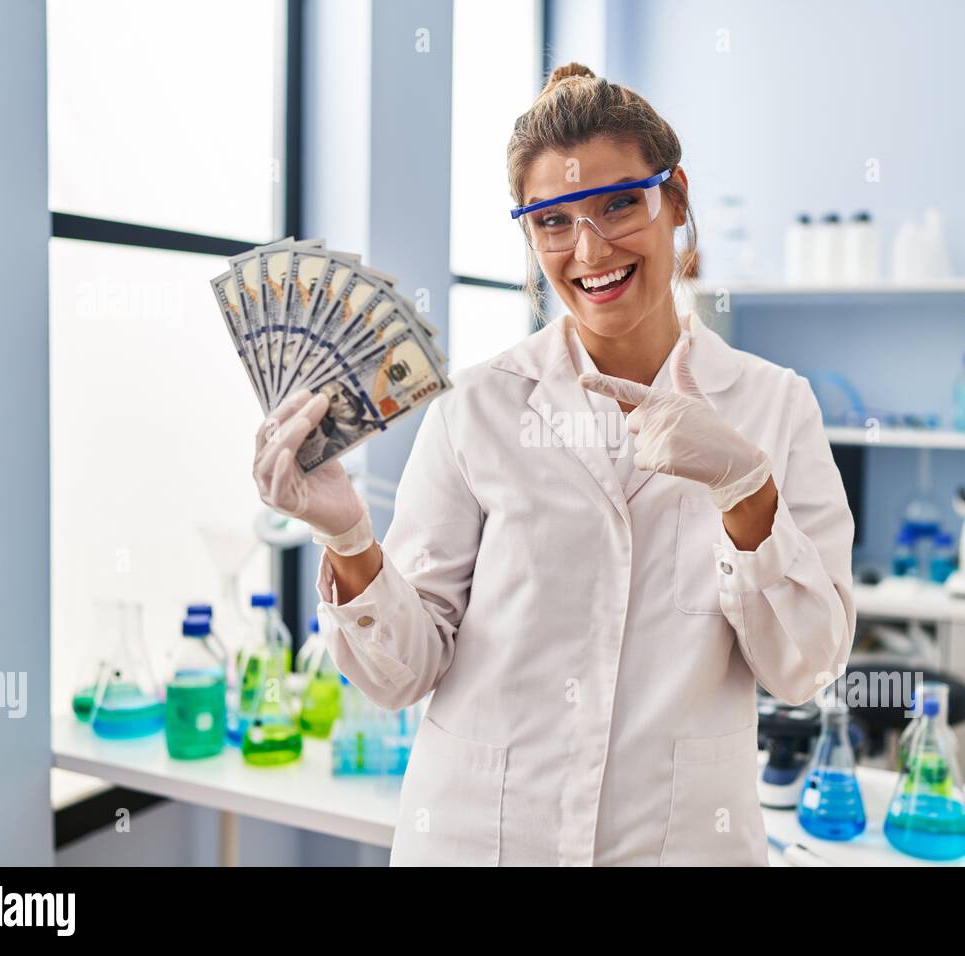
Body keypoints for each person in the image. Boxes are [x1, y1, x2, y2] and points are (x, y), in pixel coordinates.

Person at [253, 63, 856, 866]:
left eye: (618, 205)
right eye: (553, 221)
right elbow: (404, 674)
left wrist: (745, 493)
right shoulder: (477, 408)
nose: (589, 247)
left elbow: (806, 668)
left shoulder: (776, 407)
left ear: (674, 199)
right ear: (529, 236)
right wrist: (350, 541)